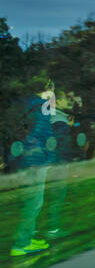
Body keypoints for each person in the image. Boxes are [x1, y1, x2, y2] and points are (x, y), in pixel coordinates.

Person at [10, 87, 55, 258]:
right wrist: (49, 157)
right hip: (36, 160)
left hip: (20, 157)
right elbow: (45, 132)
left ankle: (27, 237)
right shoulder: (43, 105)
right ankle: (22, 244)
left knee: (28, 200)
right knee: (34, 201)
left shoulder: (16, 104)